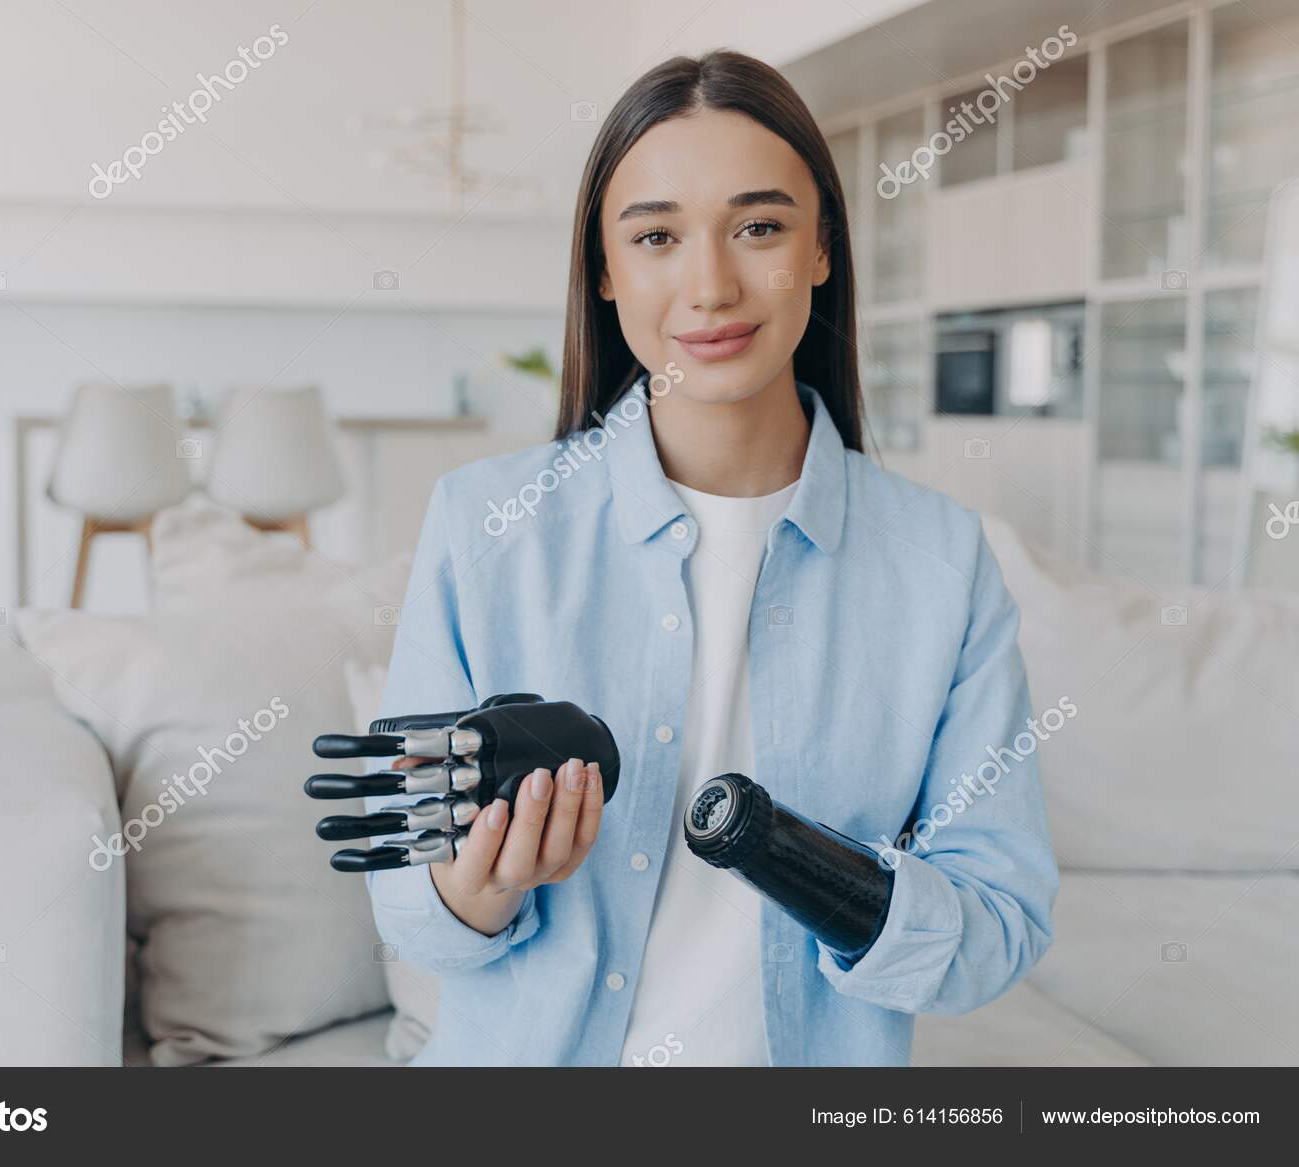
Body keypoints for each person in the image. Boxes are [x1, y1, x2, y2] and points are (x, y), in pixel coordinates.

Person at [362, 49, 1056, 1066]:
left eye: (760, 226)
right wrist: (481, 886)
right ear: (604, 270)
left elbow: (999, 922)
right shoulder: (483, 525)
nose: (711, 284)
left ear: (821, 249)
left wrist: (814, 873)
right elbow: (407, 907)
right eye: (655, 236)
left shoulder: (941, 562)